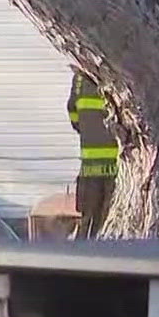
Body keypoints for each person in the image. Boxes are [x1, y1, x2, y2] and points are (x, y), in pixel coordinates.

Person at [67, 68, 117, 237]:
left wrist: (88, 132)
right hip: (116, 168)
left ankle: (81, 258)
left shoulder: (79, 77)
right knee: (110, 222)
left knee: (87, 222)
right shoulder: (120, 71)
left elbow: (73, 115)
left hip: (89, 167)